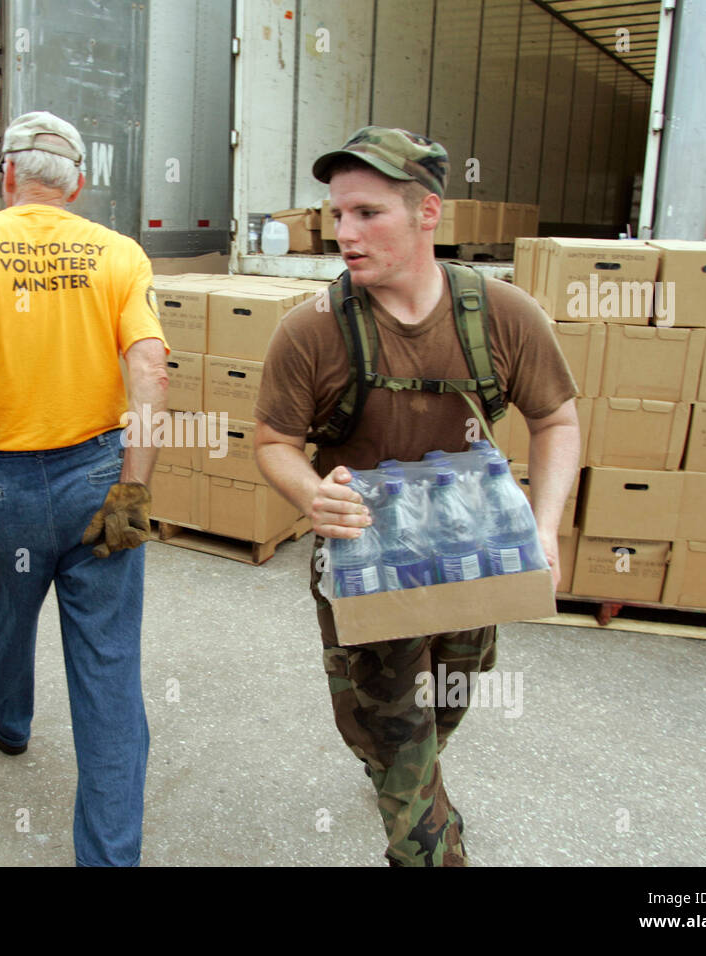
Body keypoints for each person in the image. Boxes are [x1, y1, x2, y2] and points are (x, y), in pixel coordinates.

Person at [253, 127, 581, 866]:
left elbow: (556, 419)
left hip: (472, 556)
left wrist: (548, 528)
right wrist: (313, 494)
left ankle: (403, 768)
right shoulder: (310, 331)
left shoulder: (501, 314)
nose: (344, 233)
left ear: (427, 212)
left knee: (451, 700)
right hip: (365, 569)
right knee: (396, 731)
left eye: (368, 213)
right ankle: (423, 823)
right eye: (337, 215)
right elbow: (273, 442)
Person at [0, 111, 169, 866]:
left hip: (0, 488)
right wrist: (133, 493)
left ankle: (7, 718)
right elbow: (150, 374)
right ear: (78, 183)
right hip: (100, 481)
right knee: (109, 670)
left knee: (3, 609)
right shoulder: (119, 254)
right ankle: (110, 857)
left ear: (6, 176)